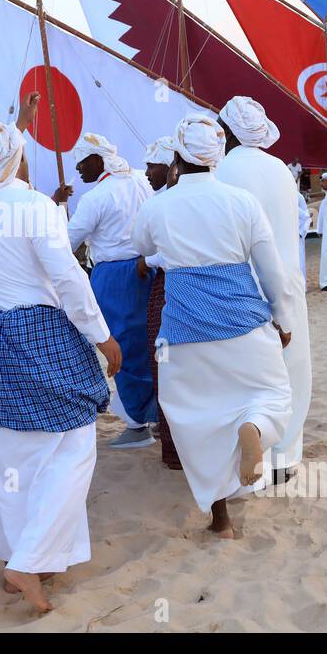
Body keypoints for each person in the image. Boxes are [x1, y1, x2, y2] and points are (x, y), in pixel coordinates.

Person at [0, 119, 120, 613]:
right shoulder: (34, 208)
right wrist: (102, 336)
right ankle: (29, 561)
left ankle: (22, 559)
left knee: (12, 457)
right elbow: (67, 276)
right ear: (14, 161)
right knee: (74, 445)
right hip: (38, 332)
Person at [132, 115, 298, 538]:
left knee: (197, 421)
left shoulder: (158, 205)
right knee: (273, 396)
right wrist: (282, 317)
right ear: (218, 157)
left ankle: (220, 520)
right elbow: (270, 269)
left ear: (176, 159)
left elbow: (142, 246)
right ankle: (255, 427)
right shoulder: (241, 201)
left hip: (184, 334)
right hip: (244, 322)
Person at [214, 97, 311, 484]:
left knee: (252, 376)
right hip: (289, 279)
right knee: (293, 368)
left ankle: (253, 454)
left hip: (243, 287)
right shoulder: (281, 170)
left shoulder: (220, 171)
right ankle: (286, 456)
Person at [52, 133, 155, 449]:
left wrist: (56, 206)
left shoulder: (96, 198)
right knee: (148, 342)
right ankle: (156, 413)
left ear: (97, 160)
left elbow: (64, 243)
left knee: (120, 344)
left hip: (113, 276)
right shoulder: (142, 180)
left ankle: (138, 424)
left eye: (82, 163)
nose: (79, 171)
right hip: (147, 267)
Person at [139, 136, 181, 470]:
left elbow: (146, 245)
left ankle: (176, 452)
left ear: (171, 168)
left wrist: (147, 262)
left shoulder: (164, 202)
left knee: (165, 365)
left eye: (152, 166)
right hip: (198, 292)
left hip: (170, 290)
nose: (147, 173)